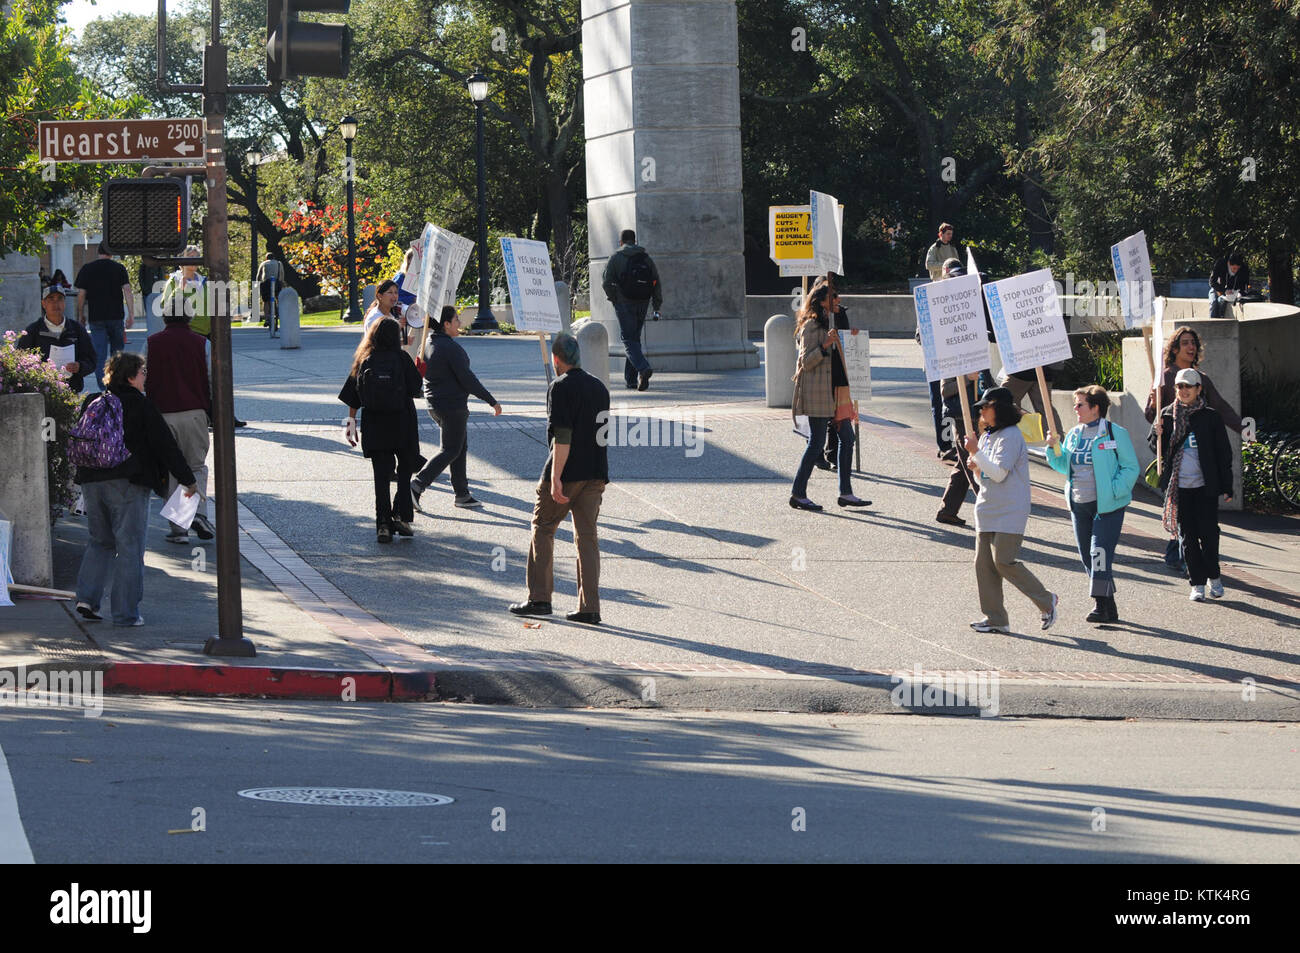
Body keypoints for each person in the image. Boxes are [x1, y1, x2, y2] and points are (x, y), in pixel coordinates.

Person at [73, 351, 198, 627]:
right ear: (131, 376)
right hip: (128, 483)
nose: (145, 378)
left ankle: (86, 600)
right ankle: (126, 613)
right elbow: (165, 445)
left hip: (93, 481)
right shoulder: (141, 405)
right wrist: (187, 479)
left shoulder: (92, 401)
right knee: (129, 547)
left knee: (99, 541)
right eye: (142, 373)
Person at [509, 333, 610, 624]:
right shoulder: (599, 387)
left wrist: (555, 478)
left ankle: (539, 598)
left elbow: (562, 437)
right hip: (596, 472)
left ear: (556, 359)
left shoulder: (560, 387)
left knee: (543, 527)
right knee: (587, 537)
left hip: (568, 472)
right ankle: (590, 606)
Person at [1143, 325, 1245, 573]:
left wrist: (1244, 429)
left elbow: (1220, 408)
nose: (1191, 347)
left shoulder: (1202, 379)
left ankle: (1183, 557)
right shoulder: (1165, 378)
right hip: (1175, 458)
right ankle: (1180, 556)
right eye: (1186, 342)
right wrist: (1155, 403)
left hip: (1200, 459)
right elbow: (1150, 416)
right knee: (1181, 509)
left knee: (1195, 514)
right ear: (1175, 348)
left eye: (1194, 343)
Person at [963, 386, 1058, 634]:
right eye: (981, 407)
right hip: (987, 507)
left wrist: (976, 454)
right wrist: (975, 465)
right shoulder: (987, 436)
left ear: (1000, 408)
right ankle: (996, 619)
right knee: (984, 565)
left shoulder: (1012, 436)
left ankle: (1047, 601)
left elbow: (999, 473)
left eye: (987, 406)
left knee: (1003, 561)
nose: (982, 411)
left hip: (1010, 509)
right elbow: (985, 475)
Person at [1045, 386, 1140, 623]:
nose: (1075, 409)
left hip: (1106, 507)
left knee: (1099, 554)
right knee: (1088, 558)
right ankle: (1109, 605)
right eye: (1076, 404)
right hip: (1079, 505)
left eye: (1080, 405)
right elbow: (1062, 465)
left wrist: (1114, 491)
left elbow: (1131, 468)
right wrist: (1052, 447)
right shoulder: (1075, 434)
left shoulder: (1114, 433)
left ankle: (1100, 605)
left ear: (1095, 408)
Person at [1150, 368, 1234, 602]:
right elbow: (1156, 448)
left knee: (1209, 535)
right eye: (1179, 386)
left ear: (1199, 389)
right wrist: (1156, 434)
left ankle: (1214, 577)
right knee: (1187, 537)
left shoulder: (1211, 417)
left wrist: (1227, 486)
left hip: (1205, 486)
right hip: (1179, 488)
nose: (1184, 391)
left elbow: (1223, 453)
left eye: (1188, 386)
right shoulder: (1166, 415)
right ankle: (1196, 583)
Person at [339, 318, 424, 543]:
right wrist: (419, 370)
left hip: (375, 424)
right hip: (402, 423)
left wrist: (351, 424)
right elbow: (416, 388)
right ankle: (401, 515)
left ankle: (383, 525)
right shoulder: (402, 358)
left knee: (381, 477)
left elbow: (352, 396)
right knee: (405, 473)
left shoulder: (364, 359)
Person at [410, 305, 502, 510]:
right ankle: (417, 485)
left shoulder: (428, 342)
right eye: (456, 319)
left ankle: (462, 494)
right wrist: (491, 401)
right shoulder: (450, 348)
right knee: (451, 449)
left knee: (459, 448)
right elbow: (468, 379)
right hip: (452, 406)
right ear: (446, 324)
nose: (460, 323)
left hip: (436, 404)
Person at [789, 282, 871, 511]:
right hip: (819, 391)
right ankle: (798, 493)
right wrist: (825, 345)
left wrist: (848, 335)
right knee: (816, 442)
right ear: (821, 300)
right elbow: (805, 362)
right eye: (833, 296)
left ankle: (845, 493)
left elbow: (844, 342)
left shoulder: (833, 320)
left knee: (848, 438)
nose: (838, 300)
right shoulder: (811, 326)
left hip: (838, 389)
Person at [145, 298, 214, 544]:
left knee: (172, 469)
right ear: (190, 316)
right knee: (196, 466)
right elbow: (210, 378)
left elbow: (145, 379)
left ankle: (180, 528)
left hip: (163, 413)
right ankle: (198, 514)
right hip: (194, 411)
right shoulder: (202, 343)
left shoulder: (152, 343)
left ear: (164, 316)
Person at [601, 228, 662, 391]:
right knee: (634, 339)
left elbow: (606, 282)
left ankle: (643, 369)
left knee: (628, 340)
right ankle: (631, 380)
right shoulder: (646, 258)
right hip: (643, 302)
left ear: (620, 242)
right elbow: (656, 282)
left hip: (624, 302)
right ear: (635, 241)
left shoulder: (615, 257)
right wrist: (656, 307)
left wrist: (614, 298)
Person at [74, 244, 134, 391]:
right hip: (116, 316)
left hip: (96, 317)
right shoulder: (119, 268)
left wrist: (80, 314)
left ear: (98, 252)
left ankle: (104, 386)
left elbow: (81, 294)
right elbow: (127, 290)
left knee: (99, 354)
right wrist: (131, 314)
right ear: (111, 253)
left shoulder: (87, 268)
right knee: (118, 353)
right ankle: (118, 383)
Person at [16, 285, 97, 394]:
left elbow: (91, 360)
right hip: (41, 392)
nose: (56, 303)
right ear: (43, 304)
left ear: (64, 303)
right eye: (51, 299)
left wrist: (79, 366)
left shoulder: (77, 329)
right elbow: (20, 361)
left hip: (71, 391)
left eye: (60, 299)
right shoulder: (33, 330)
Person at [935, 371, 982, 526]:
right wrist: (967, 379)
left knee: (964, 464)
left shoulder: (980, 357)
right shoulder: (953, 359)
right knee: (973, 462)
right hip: (963, 416)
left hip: (979, 416)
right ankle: (988, 505)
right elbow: (945, 390)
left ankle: (948, 510)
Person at [1208, 252, 1250, 318]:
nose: (1235, 271)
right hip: (1218, 288)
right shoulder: (1220, 263)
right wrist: (1224, 290)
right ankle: (1212, 323)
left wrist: (1240, 293)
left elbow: (1245, 285)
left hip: (1233, 292)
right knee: (1213, 303)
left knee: (1222, 302)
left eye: (1237, 269)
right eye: (1234, 268)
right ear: (1229, 264)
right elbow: (1212, 282)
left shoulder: (1244, 268)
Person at [255, 254, 282, 327]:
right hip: (276, 283)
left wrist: (257, 284)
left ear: (266, 258)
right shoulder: (279, 263)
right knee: (278, 298)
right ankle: (279, 314)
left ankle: (267, 318)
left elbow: (258, 276)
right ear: (274, 257)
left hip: (266, 283)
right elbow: (282, 275)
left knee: (266, 301)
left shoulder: (263, 263)